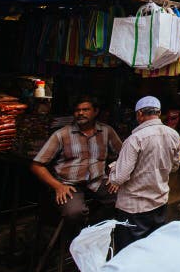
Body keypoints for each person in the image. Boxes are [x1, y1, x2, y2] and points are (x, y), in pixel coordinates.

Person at [31, 96, 122, 234]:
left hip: (98, 181)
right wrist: (58, 186)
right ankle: (77, 239)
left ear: (95, 111)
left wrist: (116, 175)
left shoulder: (106, 131)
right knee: (74, 213)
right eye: (77, 110)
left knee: (124, 199)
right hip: (69, 184)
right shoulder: (61, 134)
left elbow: (123, 155)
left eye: (85, 109)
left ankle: (92, 231)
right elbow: (37, 165)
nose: (80, 113)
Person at [108, 96, 180, 253]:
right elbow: (174, 167)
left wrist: (113, 168)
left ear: (139, 114)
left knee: (128, 254)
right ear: (159, 113)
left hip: (134, 208)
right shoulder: (173, 135)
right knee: (150, 250)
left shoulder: (135, 139)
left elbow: (119, 178)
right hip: (159, 203)